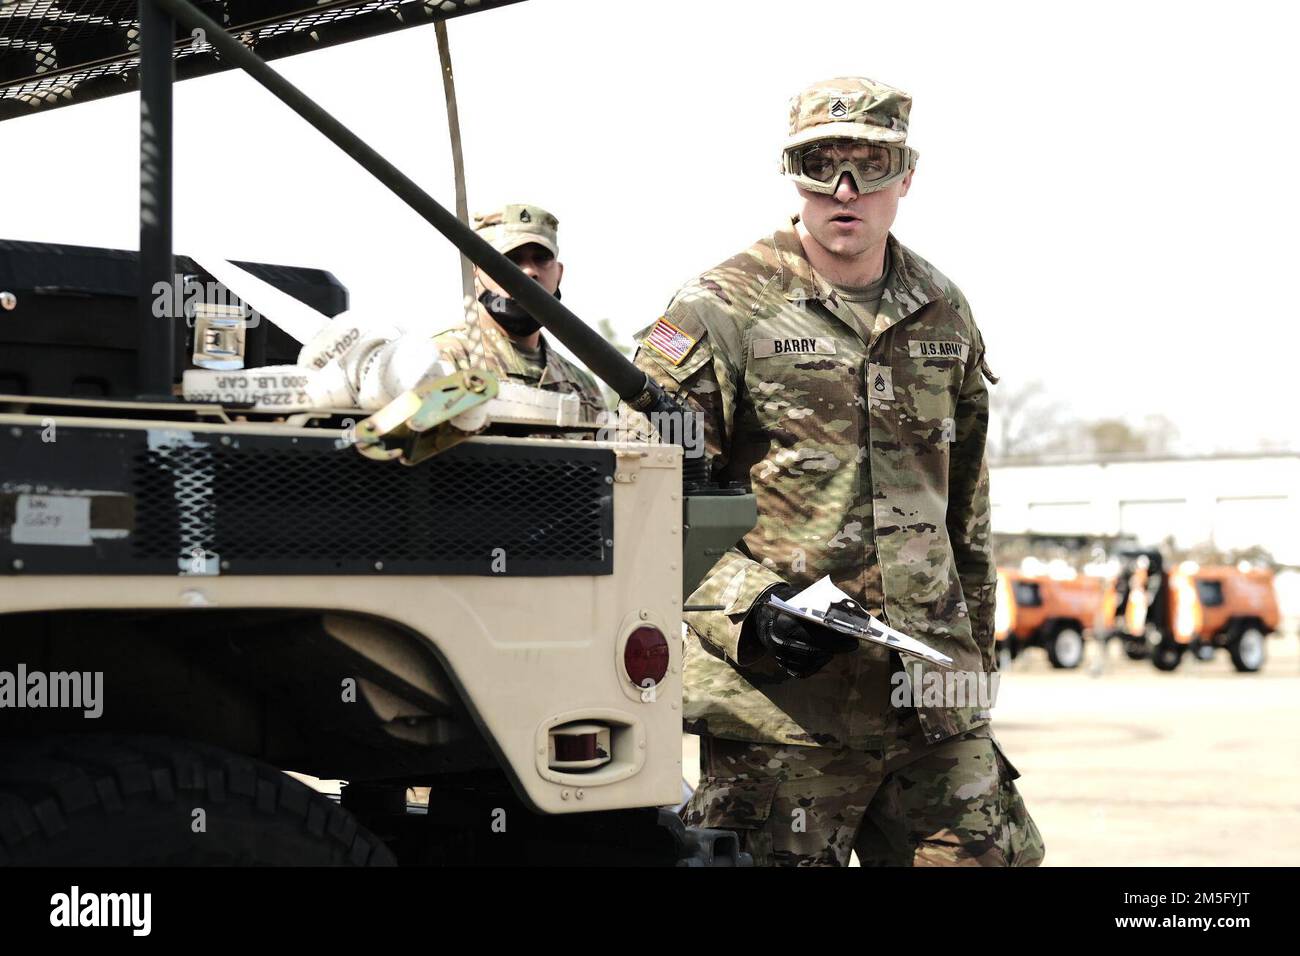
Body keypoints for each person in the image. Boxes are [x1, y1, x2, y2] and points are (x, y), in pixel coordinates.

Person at [628, 77, 1043, 866]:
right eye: (822, 165)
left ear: (906, 177)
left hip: (929, 705)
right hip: (783, 713)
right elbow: (644, 504)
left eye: (869, 165)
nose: (844, 189)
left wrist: (973, 669)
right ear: (794, 175)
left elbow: (967, 513)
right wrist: (746, 607)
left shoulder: (942, 310)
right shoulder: (721, 309)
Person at [433, 203, 605, 422]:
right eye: (511, 259)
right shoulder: (442, 363)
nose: (530, 271)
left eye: (541, 258)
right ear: (474, 273)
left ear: (559, 274)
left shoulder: (582, 388)